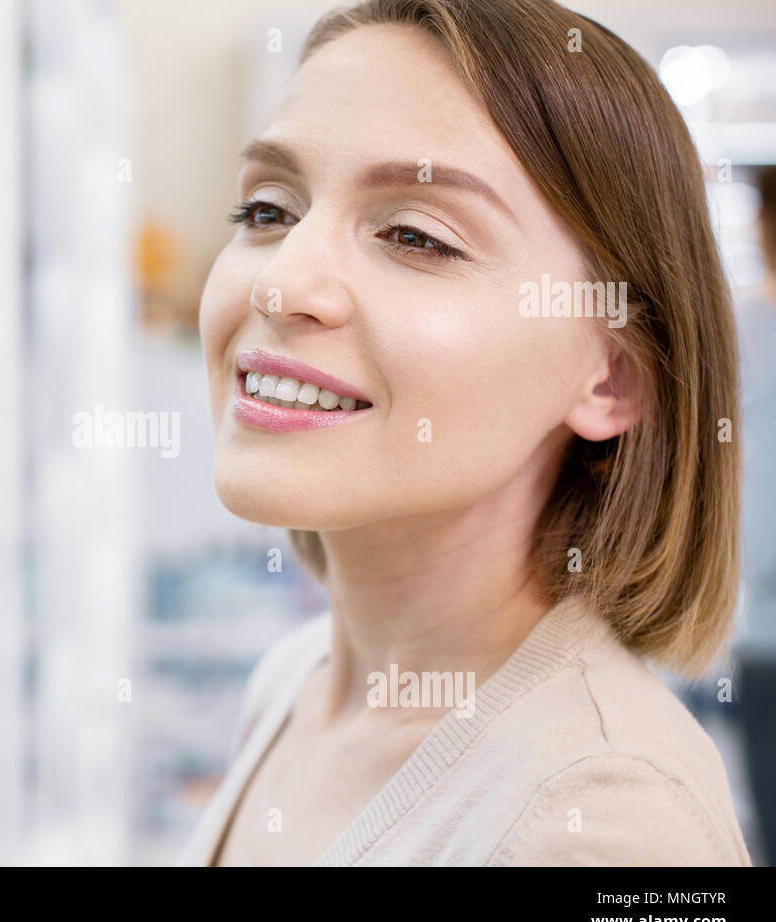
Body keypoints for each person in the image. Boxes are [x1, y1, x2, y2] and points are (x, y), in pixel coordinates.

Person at [181, 0, 751, 866]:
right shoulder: (293, 682)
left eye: (416, 235)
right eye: (268, 211)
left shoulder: (603, 818)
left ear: (613, 376)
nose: (280, 283)